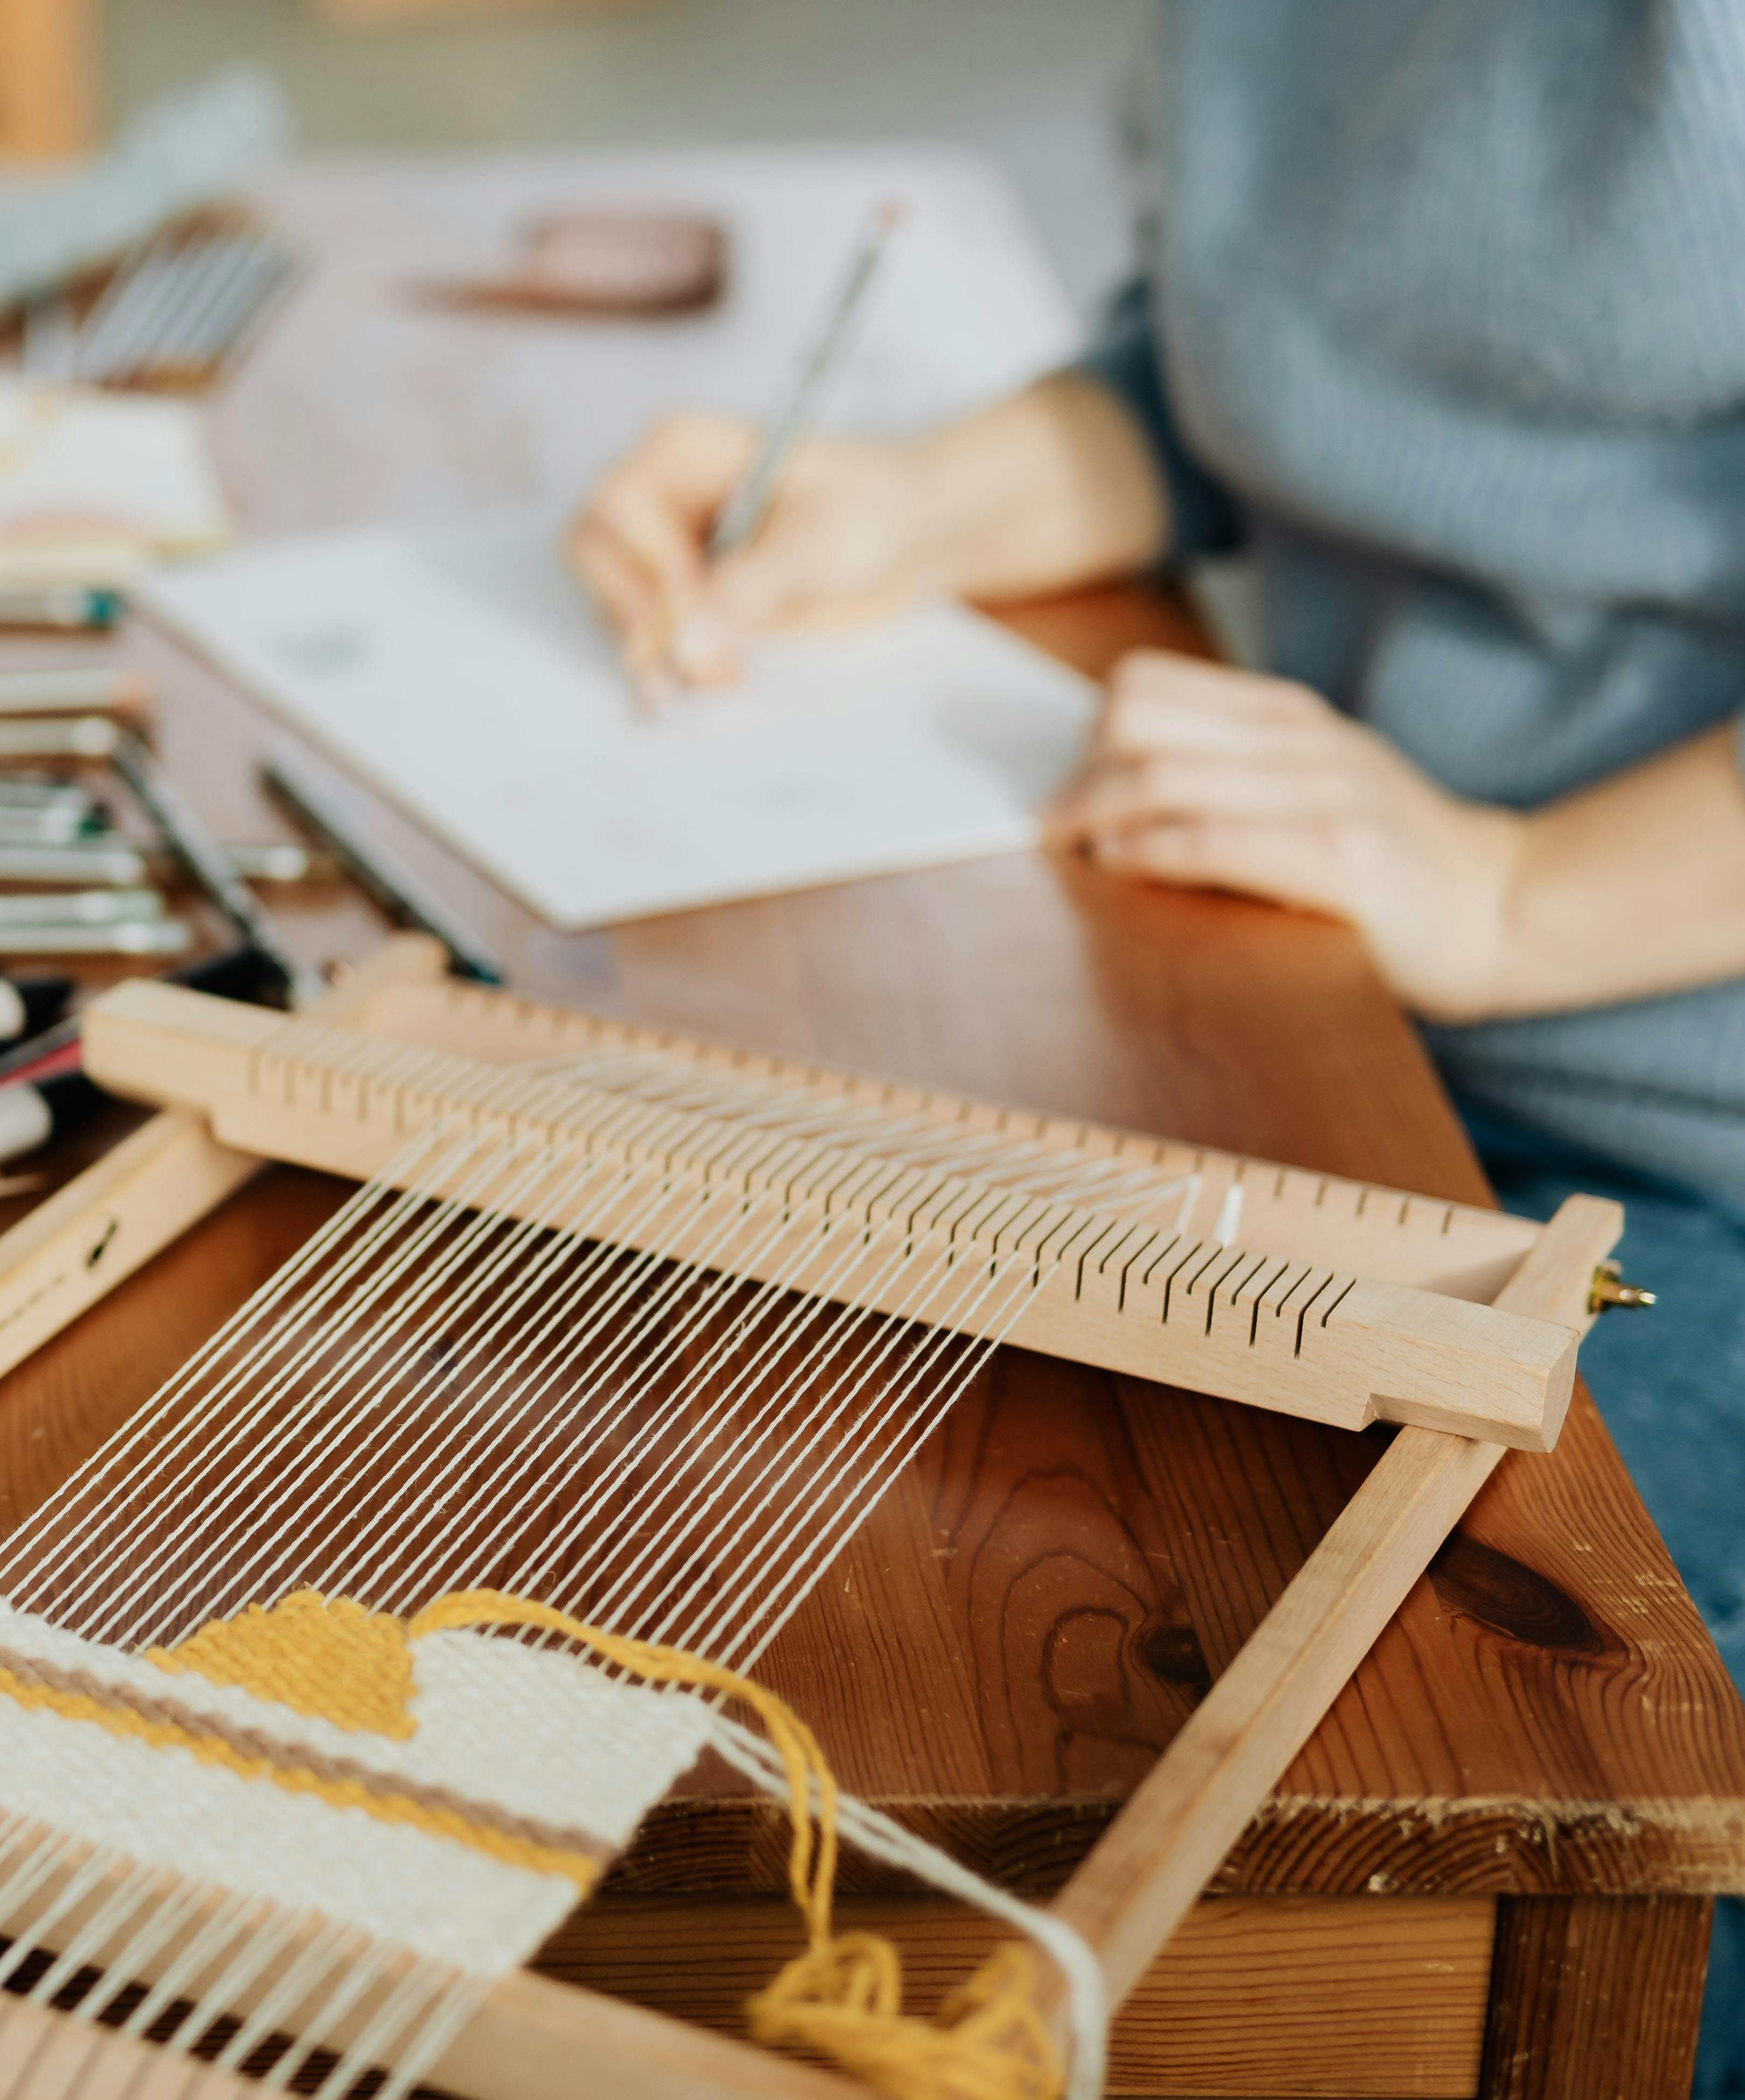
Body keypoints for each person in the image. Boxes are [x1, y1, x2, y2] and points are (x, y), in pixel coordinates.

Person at [572, 6, 1745, 2087]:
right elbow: (1255, 374)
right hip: (1327, 997)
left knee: (1483, 1856)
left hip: (1681, 1143)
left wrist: (1506, 894)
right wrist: (916, 506)